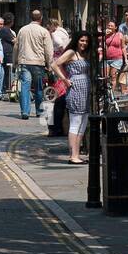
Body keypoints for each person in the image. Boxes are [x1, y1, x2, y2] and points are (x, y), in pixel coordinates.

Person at [53, 31, 92, 164]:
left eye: (86, 41)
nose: (84, 43)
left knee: (83, 122)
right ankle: (73, 155)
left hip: (85, 90)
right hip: (76, 89)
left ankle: (76, 154)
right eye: (82, 40)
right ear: (76, 40)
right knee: (76, 122)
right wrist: (64, 79)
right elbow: (55, 64)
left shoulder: (84, 54)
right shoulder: (71, 53)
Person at [14, 10, 55, 121]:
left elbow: (16, 47)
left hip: (24, 62)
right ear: (41, 18)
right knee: (38, 88)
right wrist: (50, 64)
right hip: (38, 63)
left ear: (30, 17)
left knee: (25, 87)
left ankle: (25, 112)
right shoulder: (44, 31)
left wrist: (15, 61)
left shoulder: (22, 30)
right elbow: (49, 50)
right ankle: (39, 111)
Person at [46, 16, 70, 136]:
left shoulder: (54, 34)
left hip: (56, 66)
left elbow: (61, 46)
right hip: (61, 66)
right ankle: (59, 127)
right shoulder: (63, 31)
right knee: (56, 98)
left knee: (52, 98)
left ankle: (53, 128)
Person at [104, 19, 128, 92]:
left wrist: (126, 58)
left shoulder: (120, 35)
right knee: (104, 77)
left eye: (112, 26)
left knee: (113, 77)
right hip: (106, 58)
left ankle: (111, 94)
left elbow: (123, 47)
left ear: (115, 27)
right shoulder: (105, 35)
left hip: (117, 59)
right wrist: (104, 35)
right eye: (109, 25)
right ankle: (105, 92)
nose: (110, 27)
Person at [0, 14, 17, 96]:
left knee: (8, 71)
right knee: (9, 71)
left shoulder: (7, 29)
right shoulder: (5, 30)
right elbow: (14, 40)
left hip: (8, 52)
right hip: (8, 53)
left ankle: (7, 87)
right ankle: (7, 88)